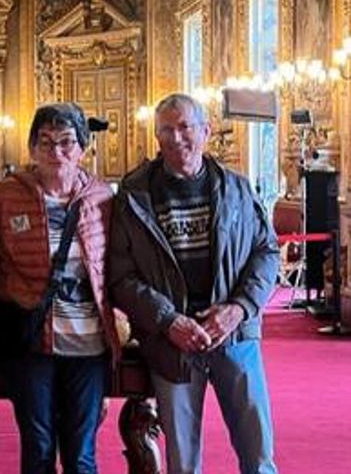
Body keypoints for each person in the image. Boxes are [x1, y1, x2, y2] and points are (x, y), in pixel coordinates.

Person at [108, 93, 279, 474]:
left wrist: (239, 309)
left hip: (234, 335)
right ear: (156, 137)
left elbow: (266, 252)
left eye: (185, 127)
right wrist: (169, 321)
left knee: (258, 455)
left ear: (206, 131)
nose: (176, 138)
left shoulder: (236, 189)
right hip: (172, 341)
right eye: (166, 130)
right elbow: (121, 276)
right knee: (182, 463)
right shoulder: (134, 197)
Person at [0, 103, 123, 474]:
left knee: (81, 452)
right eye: (45, 142)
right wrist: (2, 306)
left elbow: (115, 266)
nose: (56, 151)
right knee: (38, 447)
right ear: (32, 148)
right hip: (30, 342)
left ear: (82, 148)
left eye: (66, 142)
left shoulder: (102, 197)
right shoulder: (3, 196)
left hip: (89, 342)